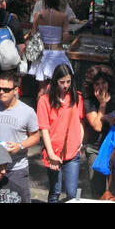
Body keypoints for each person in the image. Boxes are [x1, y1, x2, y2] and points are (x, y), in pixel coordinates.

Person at [0, 69, 41, 199]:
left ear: (16, 90)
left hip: (17, 167)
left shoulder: (27, 111)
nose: (1, 92)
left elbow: (35, 136)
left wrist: (20, 146)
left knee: (20, 199)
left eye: (6, 90)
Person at [37, 63, 85, 203]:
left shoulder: (77, 98)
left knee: (72, 192)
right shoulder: (44, 101)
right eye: (62, 82)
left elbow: (80, 122)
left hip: (73, 152)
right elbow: (44, 129)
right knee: (55, 191)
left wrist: (79, 143)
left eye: (68, 81)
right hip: (54, 153)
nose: (65, 85)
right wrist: (51, 153)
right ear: (55, 81)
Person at [83, 66, 115, 197]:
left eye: (104, 83)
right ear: (92, 85)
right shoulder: (89, 101)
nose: (101, 87)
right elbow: (97, 126)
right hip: (95, 149)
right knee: (98, 190)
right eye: (97, 84)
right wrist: (102, 104)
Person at [28, 0, 73, 84]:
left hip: (42, 54)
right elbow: (66, 38)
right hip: (57, 54)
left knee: (42, 88)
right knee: (58, 86)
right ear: (58, 1)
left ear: (45, 1)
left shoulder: (38, 15)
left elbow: (33, 33)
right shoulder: (63, 16)